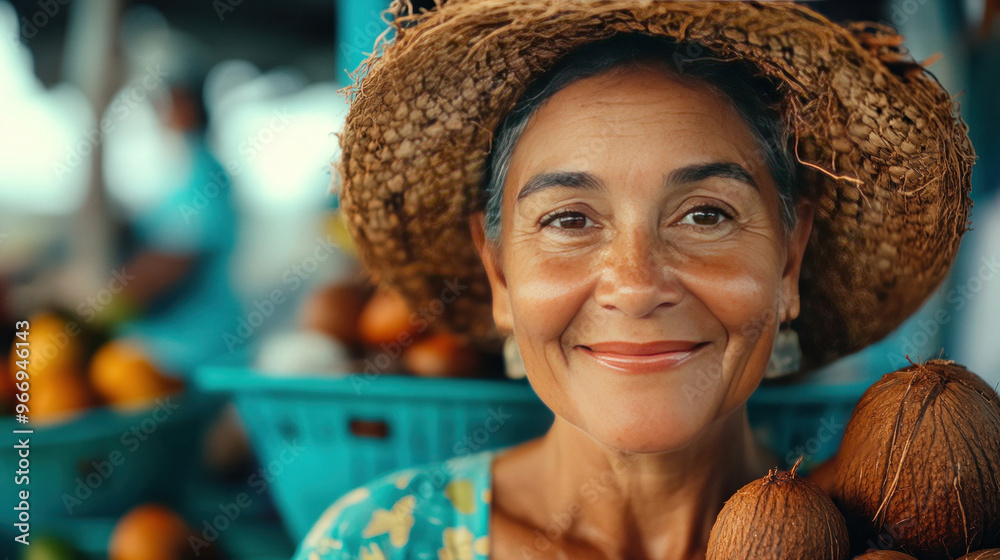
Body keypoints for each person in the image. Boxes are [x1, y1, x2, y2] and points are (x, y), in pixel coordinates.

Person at [293, 2, 974, 559]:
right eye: (569, 219)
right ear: (498, 271)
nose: (637, 284)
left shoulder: (896, 539)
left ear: (789, 261)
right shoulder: (376, 542)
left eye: (705, 214)